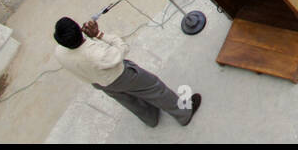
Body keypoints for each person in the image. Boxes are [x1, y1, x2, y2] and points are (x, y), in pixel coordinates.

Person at [53, 16, 200, 124]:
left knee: (129, 101)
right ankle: (184, 113)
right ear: (79, 30)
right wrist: (98, 35)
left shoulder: (59, 52)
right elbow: (122, 49)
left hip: (99, 82)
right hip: (121, 76)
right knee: (154, 88)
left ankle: (150, 118)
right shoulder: (96, 53)